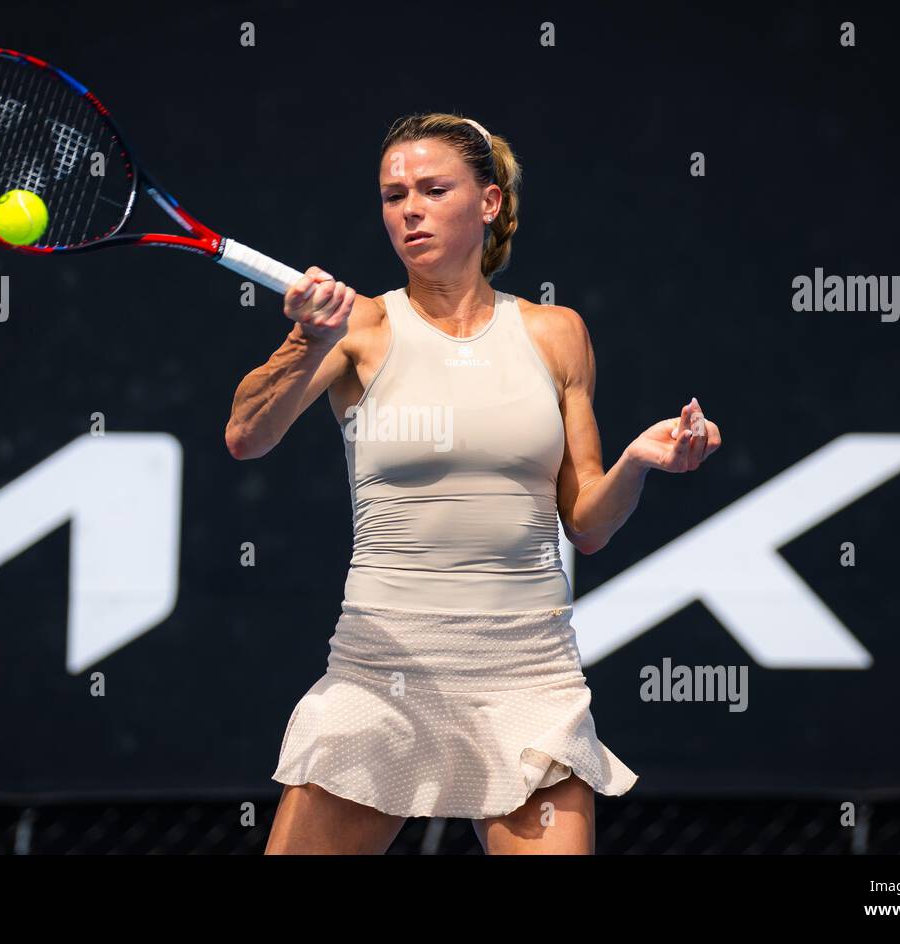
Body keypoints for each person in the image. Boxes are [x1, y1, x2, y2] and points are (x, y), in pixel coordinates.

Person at [226, 113, 721, 854]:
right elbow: (246, 436)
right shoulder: (355, 326)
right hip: (379, 673)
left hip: (527, 676)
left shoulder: (558, 334)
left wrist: (638, 463)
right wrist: (307, 339)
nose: (409, 210)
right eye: (393, 196)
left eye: (432, 189)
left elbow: (586, 520)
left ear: (488, 203)